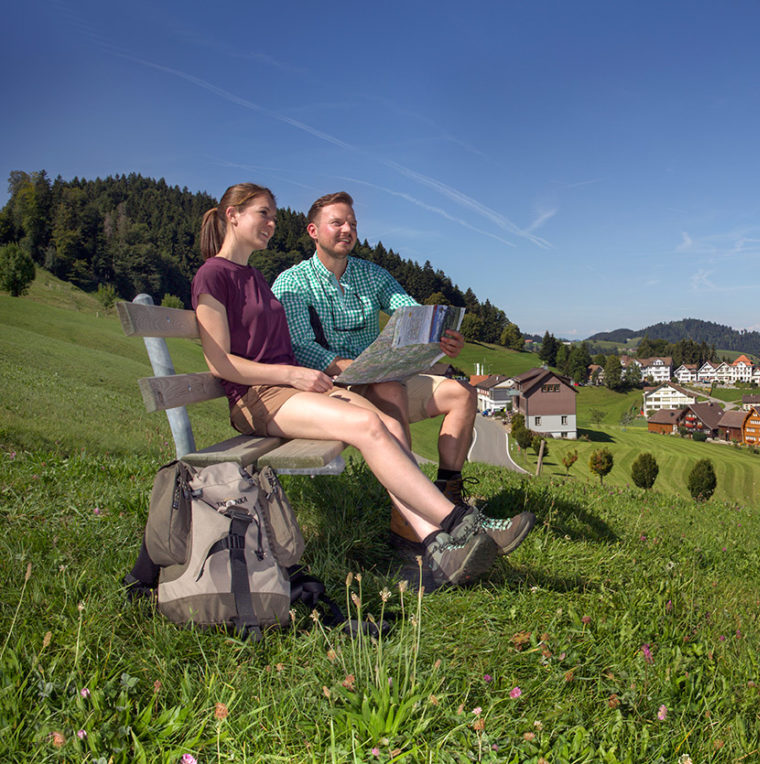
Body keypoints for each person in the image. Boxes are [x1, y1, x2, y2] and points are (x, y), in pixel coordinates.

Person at [190, 183, 514, 588]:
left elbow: (285, 344)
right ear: (232, 216)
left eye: (273, 215)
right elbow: (219, 361)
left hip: (294, 390)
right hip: (259, 397)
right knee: (369, 425)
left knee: (380, 422)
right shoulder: (214, 274)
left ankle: (436, 545)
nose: (272, 223)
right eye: (263, 214)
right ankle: (460, 522)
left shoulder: (254, 275)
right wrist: (292, 373)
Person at [271, 191, 533, 558]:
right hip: (332, 387)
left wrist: (439, 337)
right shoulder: (291, 283)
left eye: (353, 224)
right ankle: (411, 523)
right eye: (337, 223)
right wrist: (348, 368)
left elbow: (408, 311)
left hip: (379, 376)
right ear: (313, 230)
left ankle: (446, 495)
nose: (347, 230)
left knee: (462, 394)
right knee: (391, 392)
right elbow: (300, 345)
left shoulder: (372, 274)